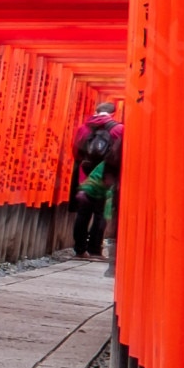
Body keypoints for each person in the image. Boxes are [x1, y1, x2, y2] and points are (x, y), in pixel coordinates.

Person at [71, 109, 115, 258]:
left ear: (96, 111)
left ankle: (79, 249)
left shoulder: (84, 127)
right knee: (100, 213)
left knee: (83, 213)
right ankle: (94, 249)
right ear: (112, 113)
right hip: (103, 177)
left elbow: (75, 150)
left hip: (85, 176)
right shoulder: (116, 128)